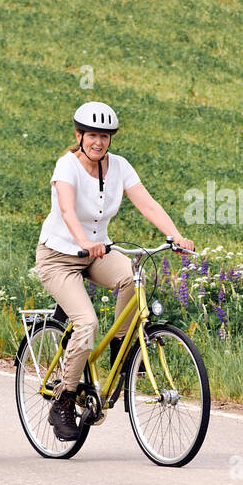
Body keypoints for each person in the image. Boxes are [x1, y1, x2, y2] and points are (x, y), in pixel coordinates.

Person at [35, 101, 194, 441]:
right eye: (92, 135)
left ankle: (120, 347)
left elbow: (147, 202)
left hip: (97, 253)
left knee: (133, 276)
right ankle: (63, 399)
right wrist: (83, 240)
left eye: (105, 136)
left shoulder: (119, 166)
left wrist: (176, 236)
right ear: (79, 136)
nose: (98, 142)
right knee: (87, 323)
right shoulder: (67, 166)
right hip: (59, 257)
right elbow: (66, 209)